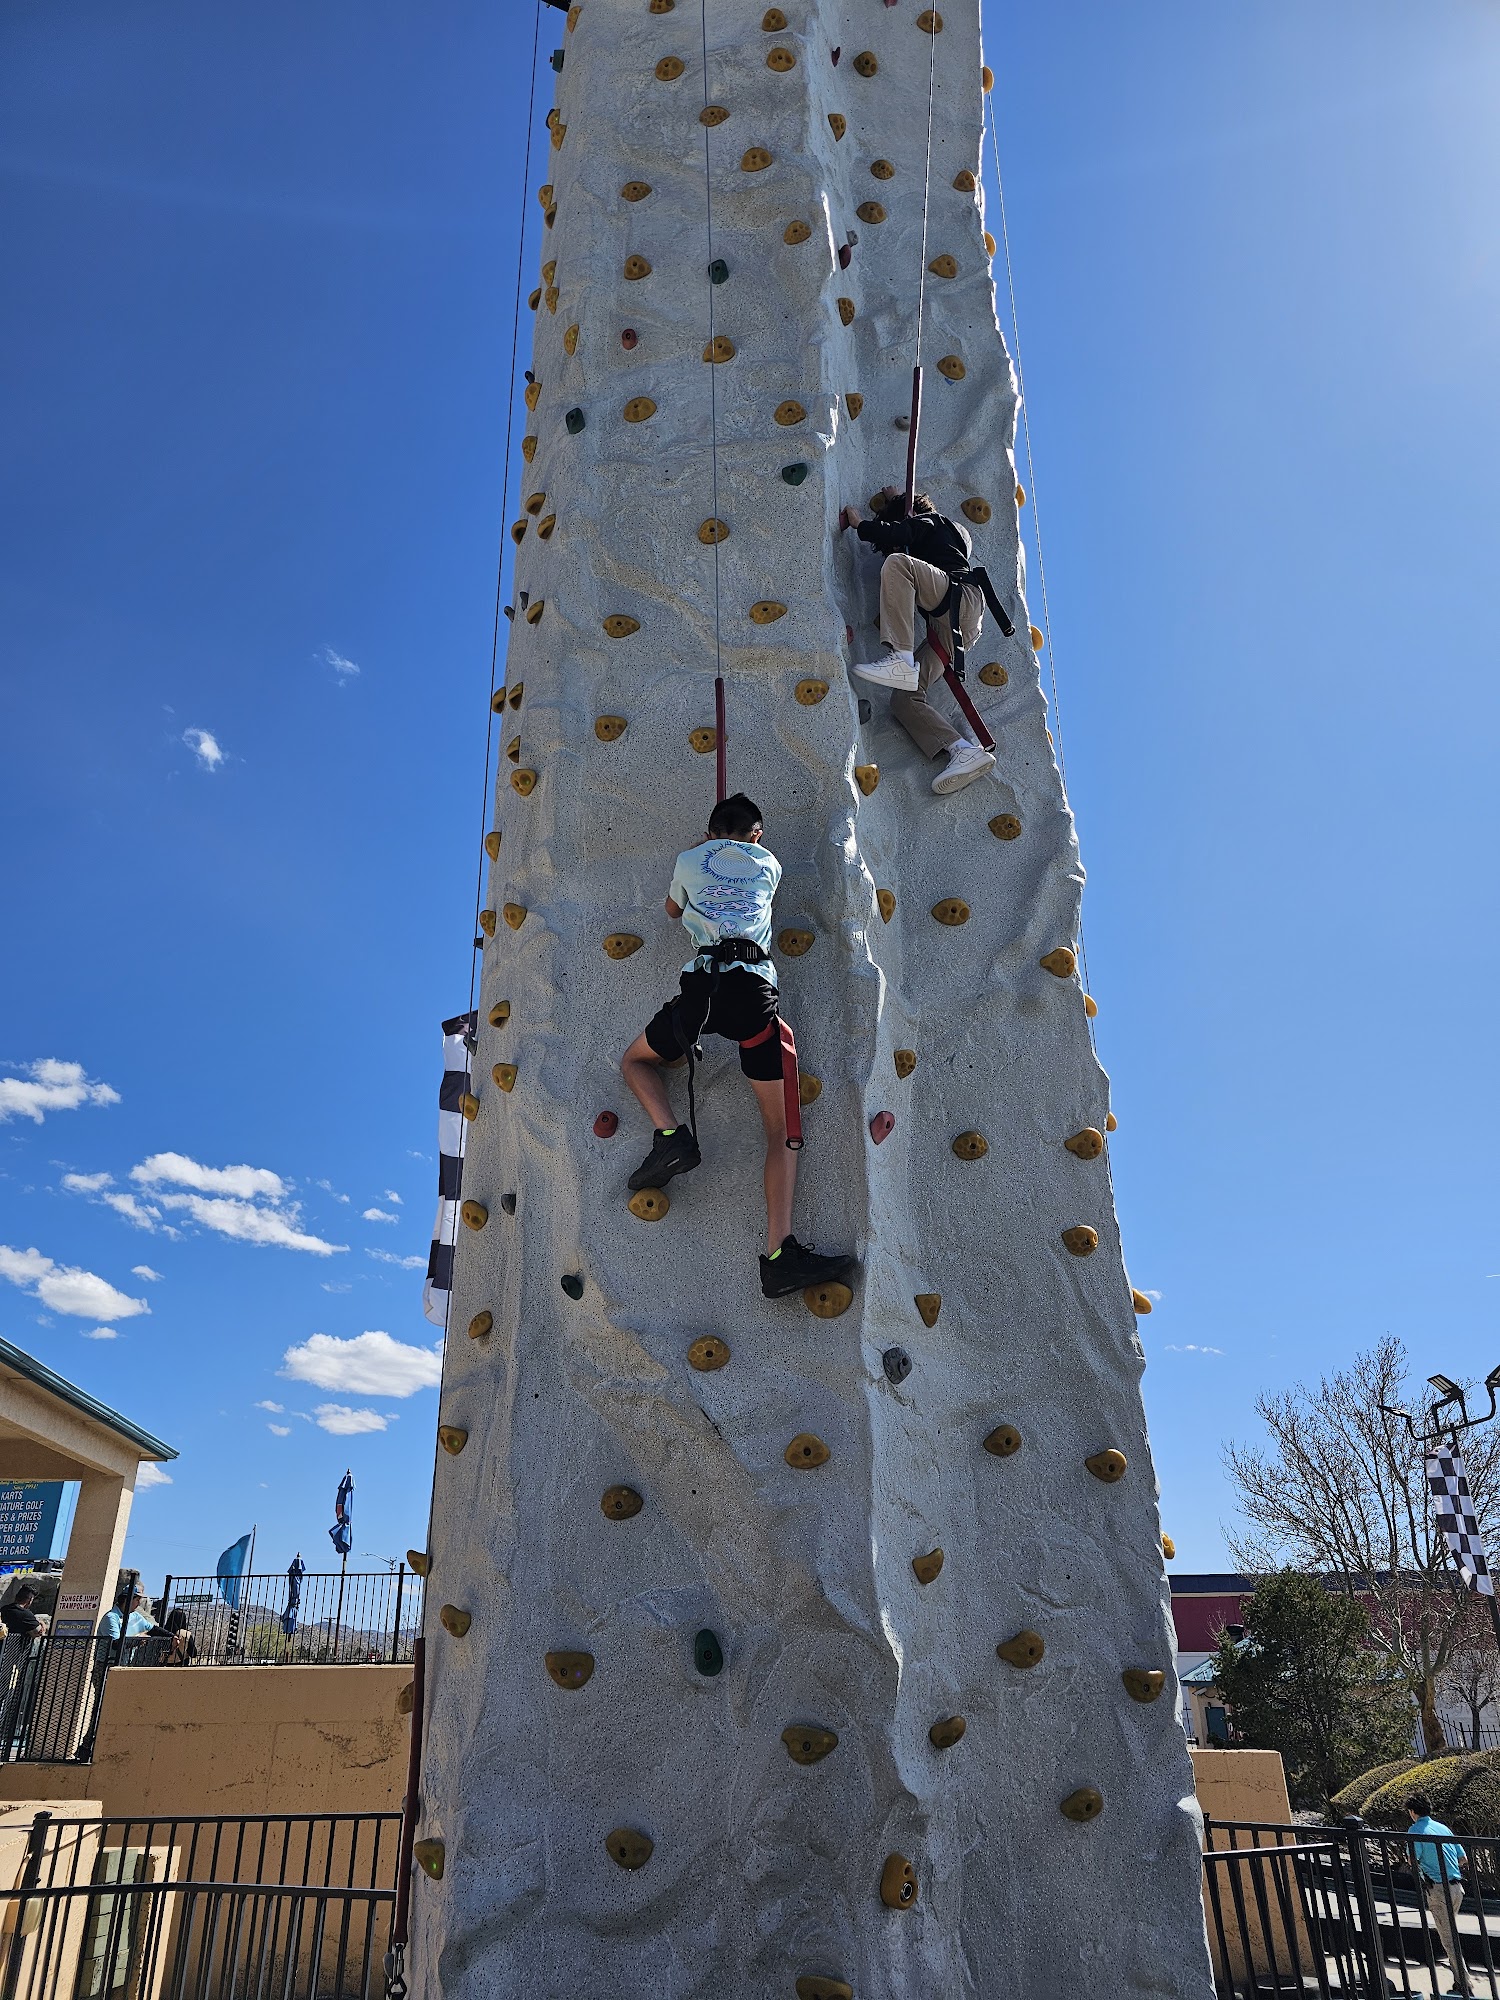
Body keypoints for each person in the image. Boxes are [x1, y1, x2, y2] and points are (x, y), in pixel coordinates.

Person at [620, 792, 857, 1299]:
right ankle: (778, 1253)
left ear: (708, 832)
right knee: (780, 1132)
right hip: (752, 992)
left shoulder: (688, 860)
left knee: (636, 1060)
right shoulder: (768, 863)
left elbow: (670, 909)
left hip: (700, 992)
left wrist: (698, 855)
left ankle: (669, 1135)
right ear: (757, 835)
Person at [844, 487, 997, 795]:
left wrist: (860, 524)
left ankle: (900, 657)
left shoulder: (933, 520)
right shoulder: (937, 539)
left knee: (898, 564)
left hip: (959, 599)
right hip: (955, 629)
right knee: (904, 699)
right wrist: (895, 501)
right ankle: (963, 752)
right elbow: (903, 532)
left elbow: (903, 529)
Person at [1406, 1794, 1469, 1996]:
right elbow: (1463, 1859)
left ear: (1412, 1811)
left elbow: (1412, 1860)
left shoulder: (1415, 1830)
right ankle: (1461, 1979)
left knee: (1448, 1938)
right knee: (1450, 1933)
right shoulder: (1443, 1828)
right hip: (1457, 1887)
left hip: (1438, 1888)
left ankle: (1463, 1983)